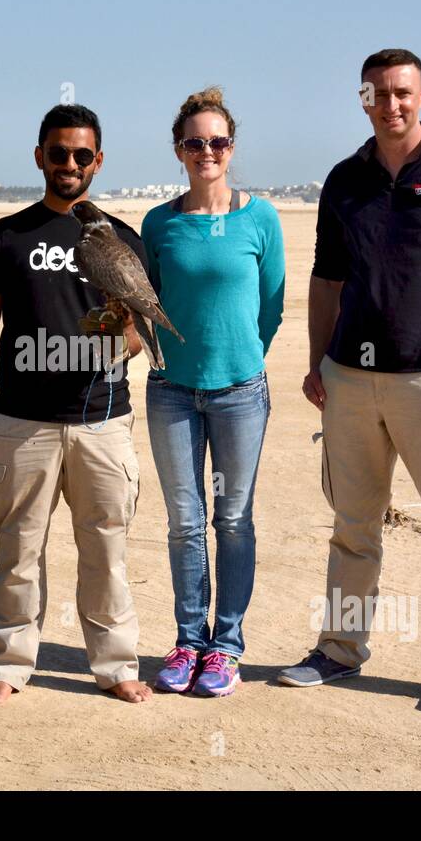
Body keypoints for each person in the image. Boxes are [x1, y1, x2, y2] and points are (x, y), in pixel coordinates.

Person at [278, 48, 421, 712]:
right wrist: (318, 362)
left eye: (401, 92)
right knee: (354, 526)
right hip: (350, 379)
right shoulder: (345, 178)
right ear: (362, 99)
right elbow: (327, 278)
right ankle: (339, 651)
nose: (390, 104)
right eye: (376, 93)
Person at [0, 104, 152, 705]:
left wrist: (106, 343)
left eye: (81, 155)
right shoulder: (7, 236)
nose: (68, 164)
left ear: (97, 162)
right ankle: (10, 662)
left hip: (102, 421)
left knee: (106, 550)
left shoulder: (123, 239)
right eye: (57, 153)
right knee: (18, 549)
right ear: (39, 156)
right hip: (23, 421)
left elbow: (138, 331)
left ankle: (117, 665)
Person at [141, 87, 284, 697]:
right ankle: (187, 640)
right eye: (195, 142)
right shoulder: (159, 223)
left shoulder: (261, 217)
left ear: (232, 147)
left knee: (233, 519)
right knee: (184, 522)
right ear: (179, 149)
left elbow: (272, 306)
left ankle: (226, 647)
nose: (207, 151)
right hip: (171, 392)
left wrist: (237, 358)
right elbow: (143, 305)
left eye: (218, 141)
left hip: (239, 394)